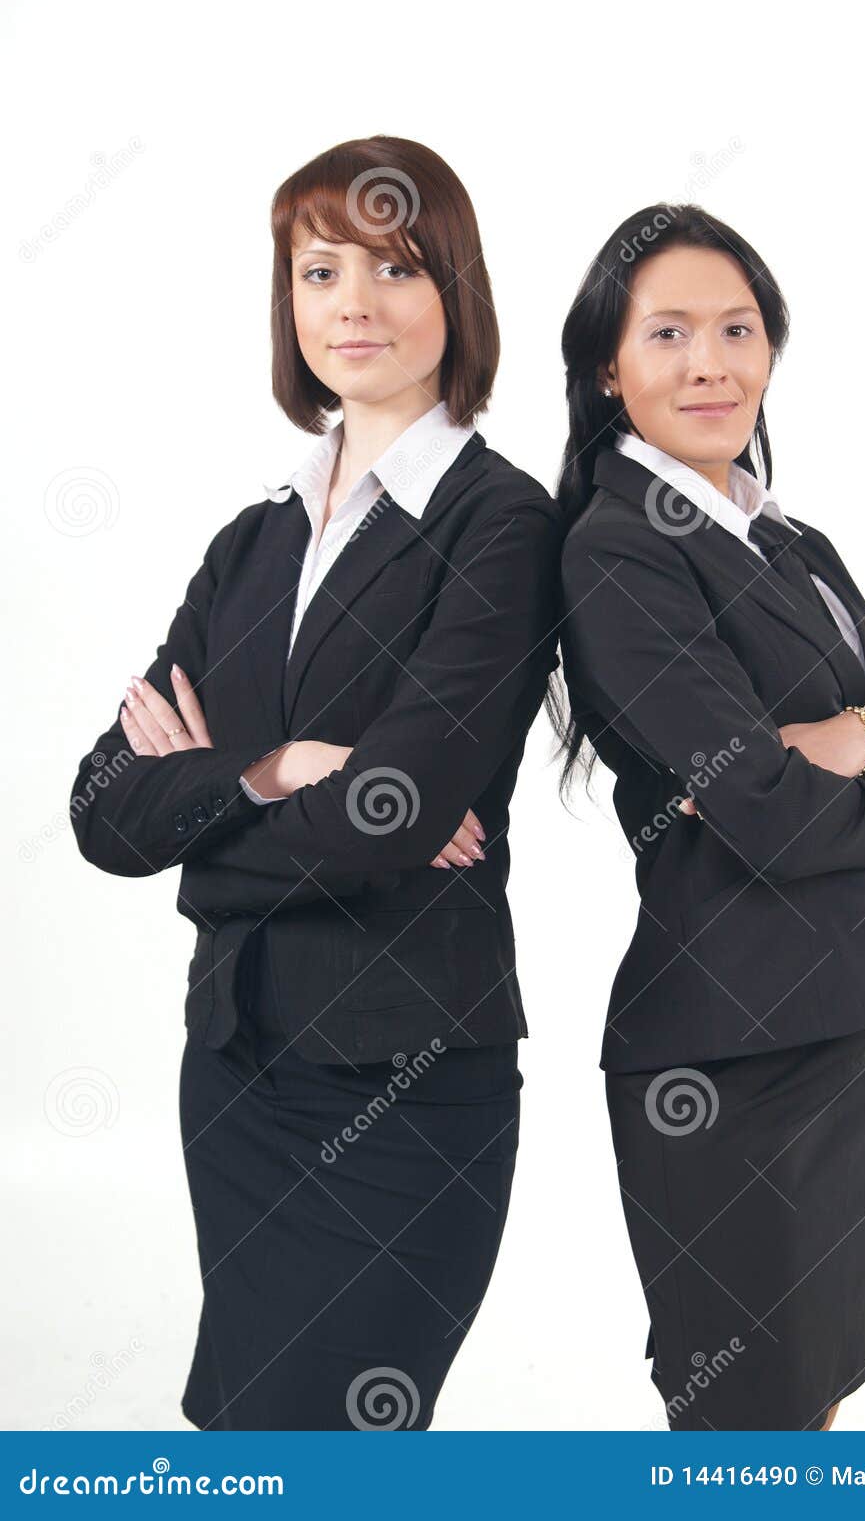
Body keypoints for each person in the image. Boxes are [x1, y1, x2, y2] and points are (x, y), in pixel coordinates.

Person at [69, 136, 562, 1430]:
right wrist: (279, 767)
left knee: (332, 1449)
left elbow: (386, 824)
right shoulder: (251, 541)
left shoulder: (503, 525)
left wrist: (206, 805)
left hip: (404, 1077)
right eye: (319, 269)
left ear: (455, 289)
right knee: (241, 1436)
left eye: (396, 267)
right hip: (236, 1068)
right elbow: (101, 809)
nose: (353, 302)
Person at [550, 202, 865, 1431]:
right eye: (668, 333)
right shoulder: (617, 552)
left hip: (846, 1028)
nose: (710, 363)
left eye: (737, 329)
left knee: (811, 1400)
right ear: (609, 367)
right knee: (747, 1423)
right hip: (726, 1059)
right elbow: (766, 811)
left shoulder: (789, 540)